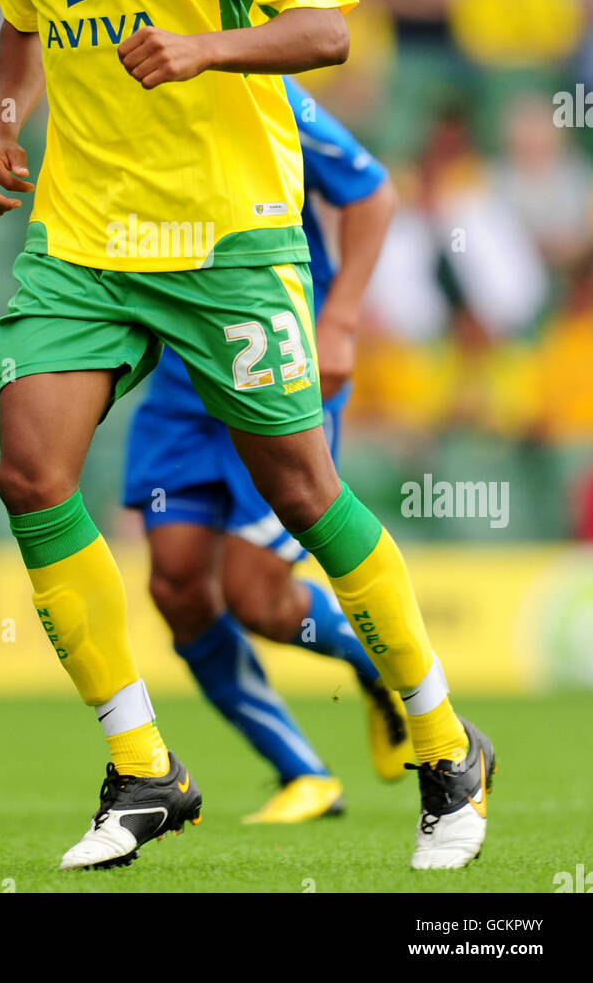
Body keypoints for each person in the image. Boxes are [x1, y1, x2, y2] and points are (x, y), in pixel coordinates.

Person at [0, 0, 495, 873]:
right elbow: (18, 21)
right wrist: (1, 135)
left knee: (306, 499)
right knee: (30, 476)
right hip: (85, 240)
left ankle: (439, 741)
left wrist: (204, 47)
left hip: (226, 240)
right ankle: (143, 768)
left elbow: (326, 29)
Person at [122, 81, 409, 823]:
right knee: (176, 587)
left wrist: (340, 322)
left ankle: (380, 663)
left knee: (256, 597)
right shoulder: (117, 93)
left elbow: (372, 193)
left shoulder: (263, 87)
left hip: (274, 366)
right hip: (183, 382)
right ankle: (305, 773)